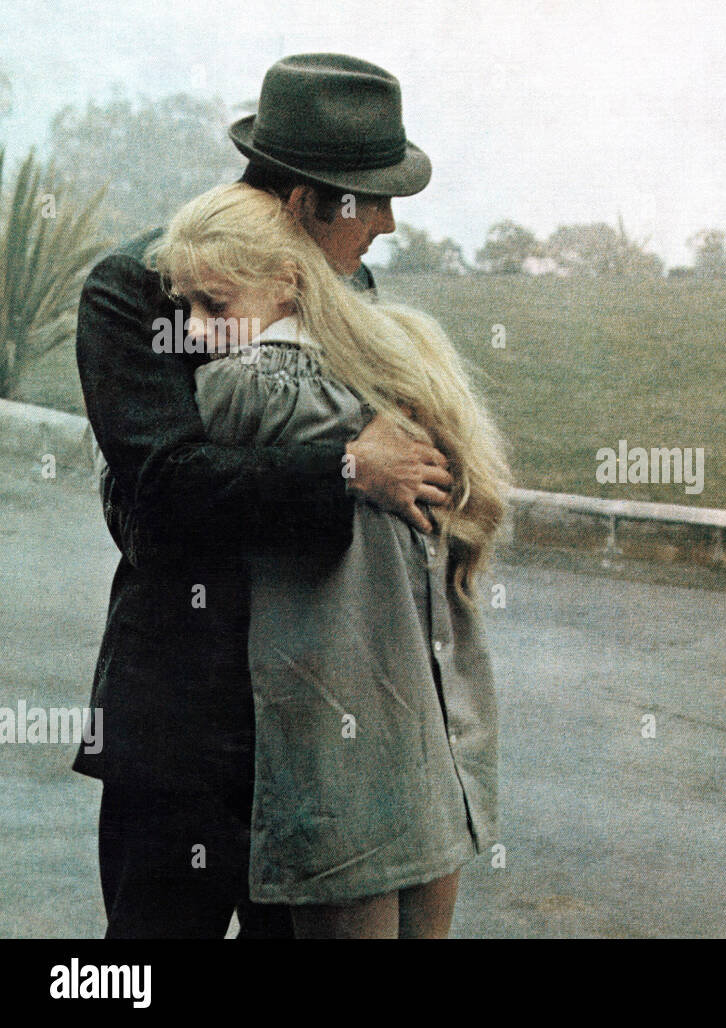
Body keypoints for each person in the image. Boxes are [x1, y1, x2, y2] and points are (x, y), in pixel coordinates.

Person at [75, 54, 454, 938]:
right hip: (185, 727)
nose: (389, 222)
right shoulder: (138, 287)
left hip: (320, 729)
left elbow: (414, 466)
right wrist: (351, 472)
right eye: (369, 198)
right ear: (299, 204)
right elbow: (162, 493)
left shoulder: (345, 290)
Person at [147, 181, 509, 938]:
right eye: (185, 307)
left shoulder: (247, 389)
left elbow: (151, 486)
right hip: (432, 749)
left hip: (337, 762)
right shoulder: (404, 372)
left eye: (215, 305)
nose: (195, 331)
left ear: (287, 281)